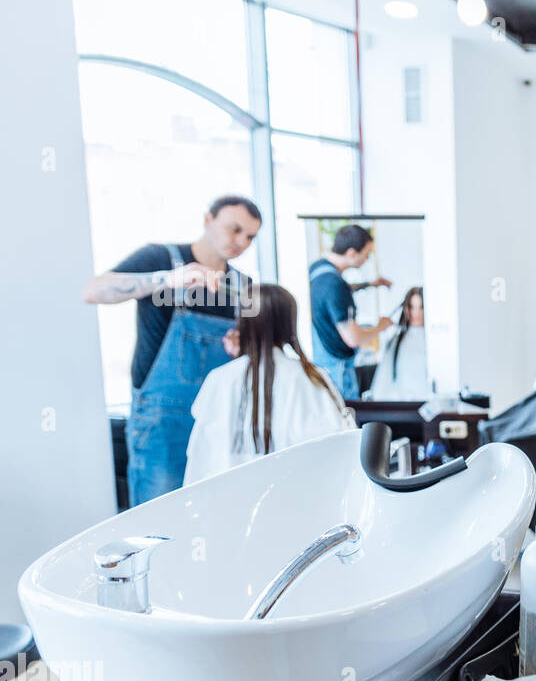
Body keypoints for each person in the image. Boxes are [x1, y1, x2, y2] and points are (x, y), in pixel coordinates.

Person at [82, 194, 261, 505]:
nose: (241, 241)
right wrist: (168, 279)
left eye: (250, 237)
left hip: (217, 420)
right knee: (156, 519)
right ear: (208, 220)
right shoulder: (161, 259)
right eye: (234, 229)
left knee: (213, 513)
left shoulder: (241, 285)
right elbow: (93, 290)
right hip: (162, 421)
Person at [184, 285, 351, 485]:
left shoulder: (220, 379)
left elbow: (201, 458)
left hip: (226, 504)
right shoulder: (311, 377)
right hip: (296, 502)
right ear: (290, 323)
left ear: (242, 323)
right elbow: (338, 447)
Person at [309, 225, 393, 399]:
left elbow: (334, 297)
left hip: (324, 364)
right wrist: (381, 327)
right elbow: (353, 338)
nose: (367, 259)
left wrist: (370, 284)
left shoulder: (318, 269)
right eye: (366, 254)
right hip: (338, 370)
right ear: (351, 253)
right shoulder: (335, 285)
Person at [369, 287, 431, 400]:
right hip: (402, 402)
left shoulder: (434, 341)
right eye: (412, 307)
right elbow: (383, 383)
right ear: (406, 309)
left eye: (421, 308)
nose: (416, 313)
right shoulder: (396, 340)